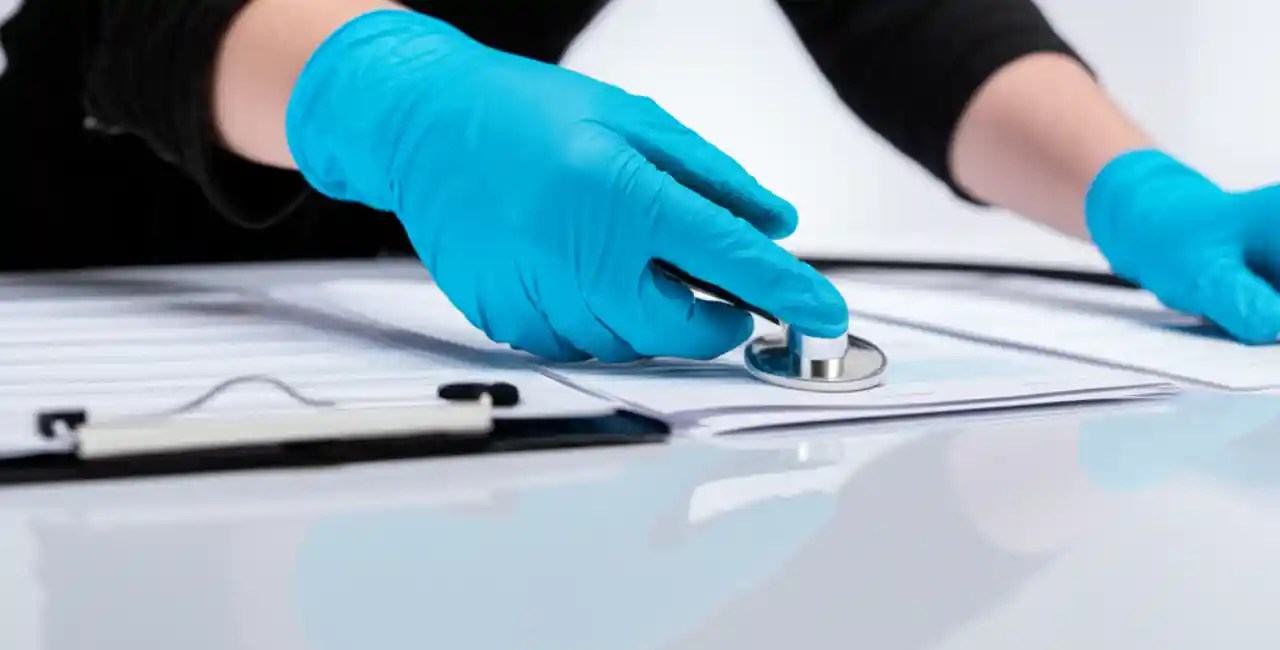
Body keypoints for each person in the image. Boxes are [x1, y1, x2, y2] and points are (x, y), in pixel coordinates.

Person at [2, 1, 1279, 363]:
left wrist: (1131, 188)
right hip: (100, 292)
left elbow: (906, 19)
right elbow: (117, 23)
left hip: (412, 297)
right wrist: (388, 96)